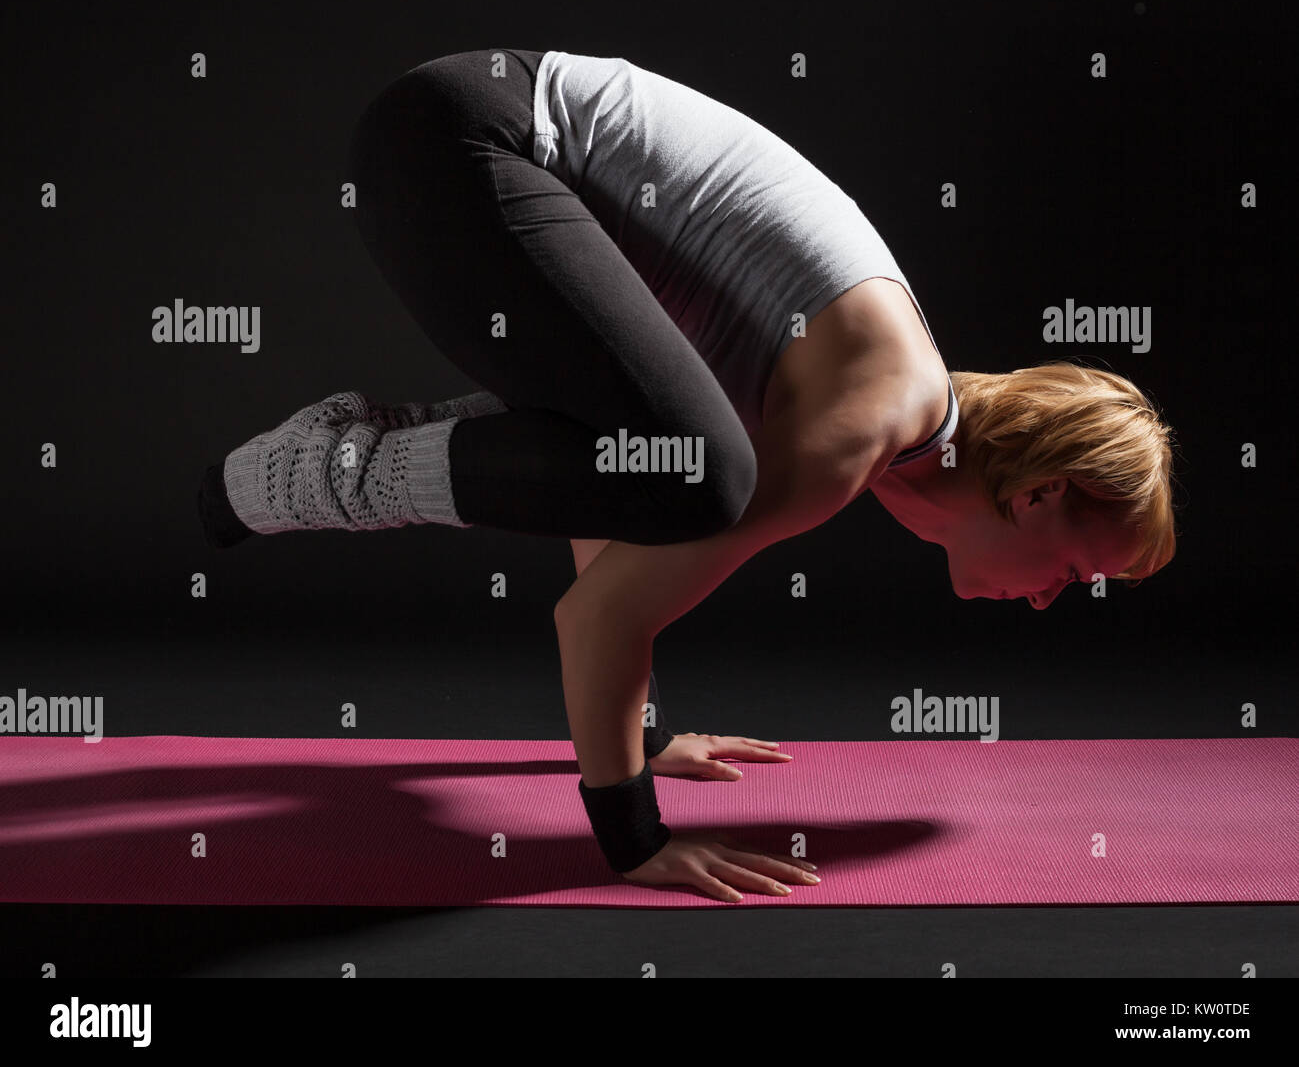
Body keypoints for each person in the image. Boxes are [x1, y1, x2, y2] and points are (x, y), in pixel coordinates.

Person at [197, 48, 1177, 903]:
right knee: (701, 475)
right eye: (1078, 572)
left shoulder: (873, 403)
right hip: (461, 142)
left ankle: (339, 455)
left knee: (680, 463)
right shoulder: (861, 424)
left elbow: (617, 485)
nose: (1053, 602)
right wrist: (636, 838)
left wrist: (646, 734)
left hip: (466, 136)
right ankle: (335, 466)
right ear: (1041, 492)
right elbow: (602, 611)